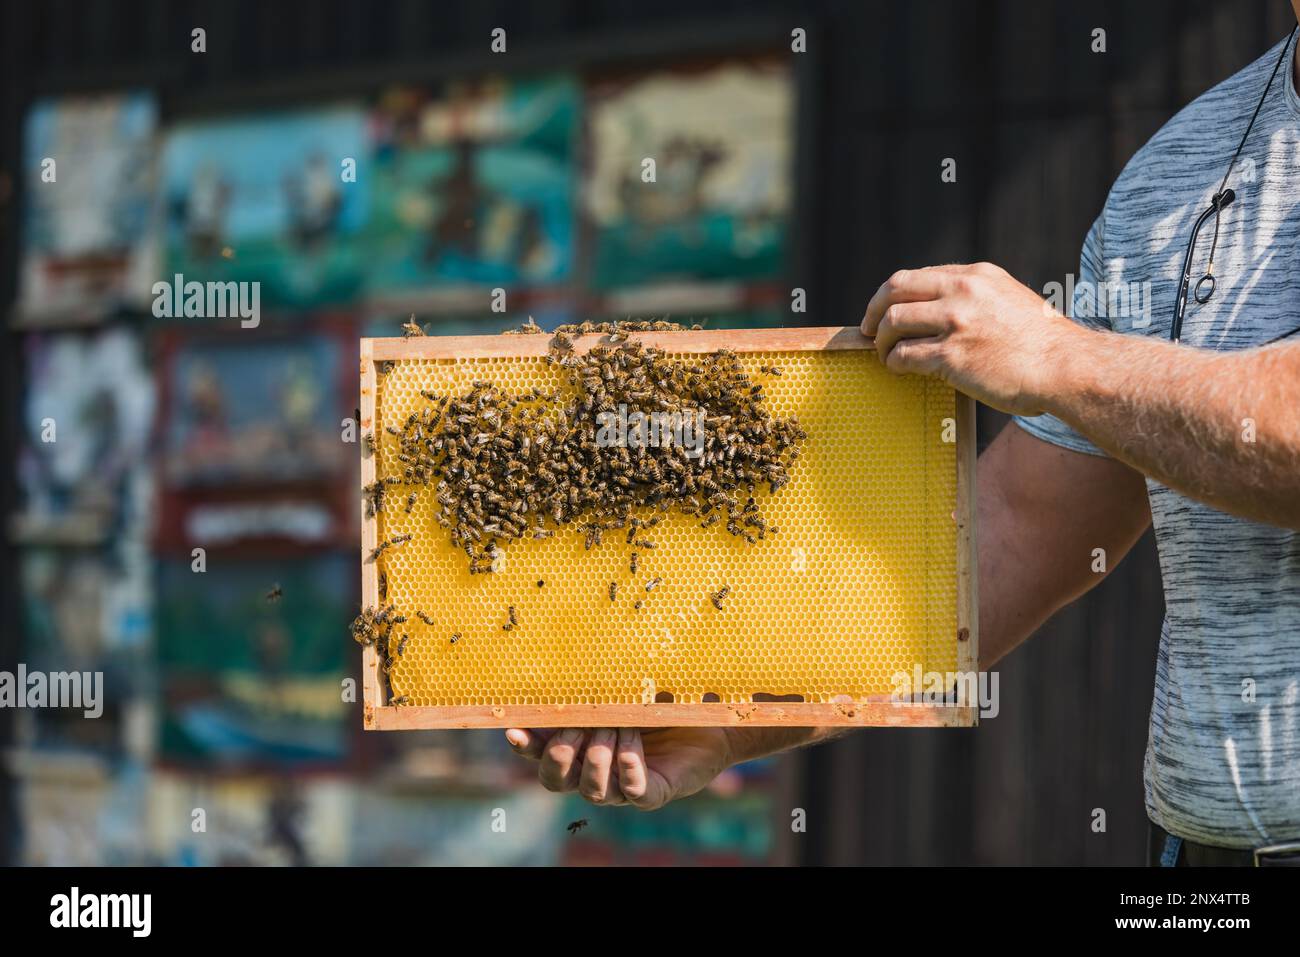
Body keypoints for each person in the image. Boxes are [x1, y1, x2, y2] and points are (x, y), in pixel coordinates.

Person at [506, 13, 1300, 866]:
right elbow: (1015, 529)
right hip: (1197, 856)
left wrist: (1056, 354)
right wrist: (730, 712)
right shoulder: (1177, 173)